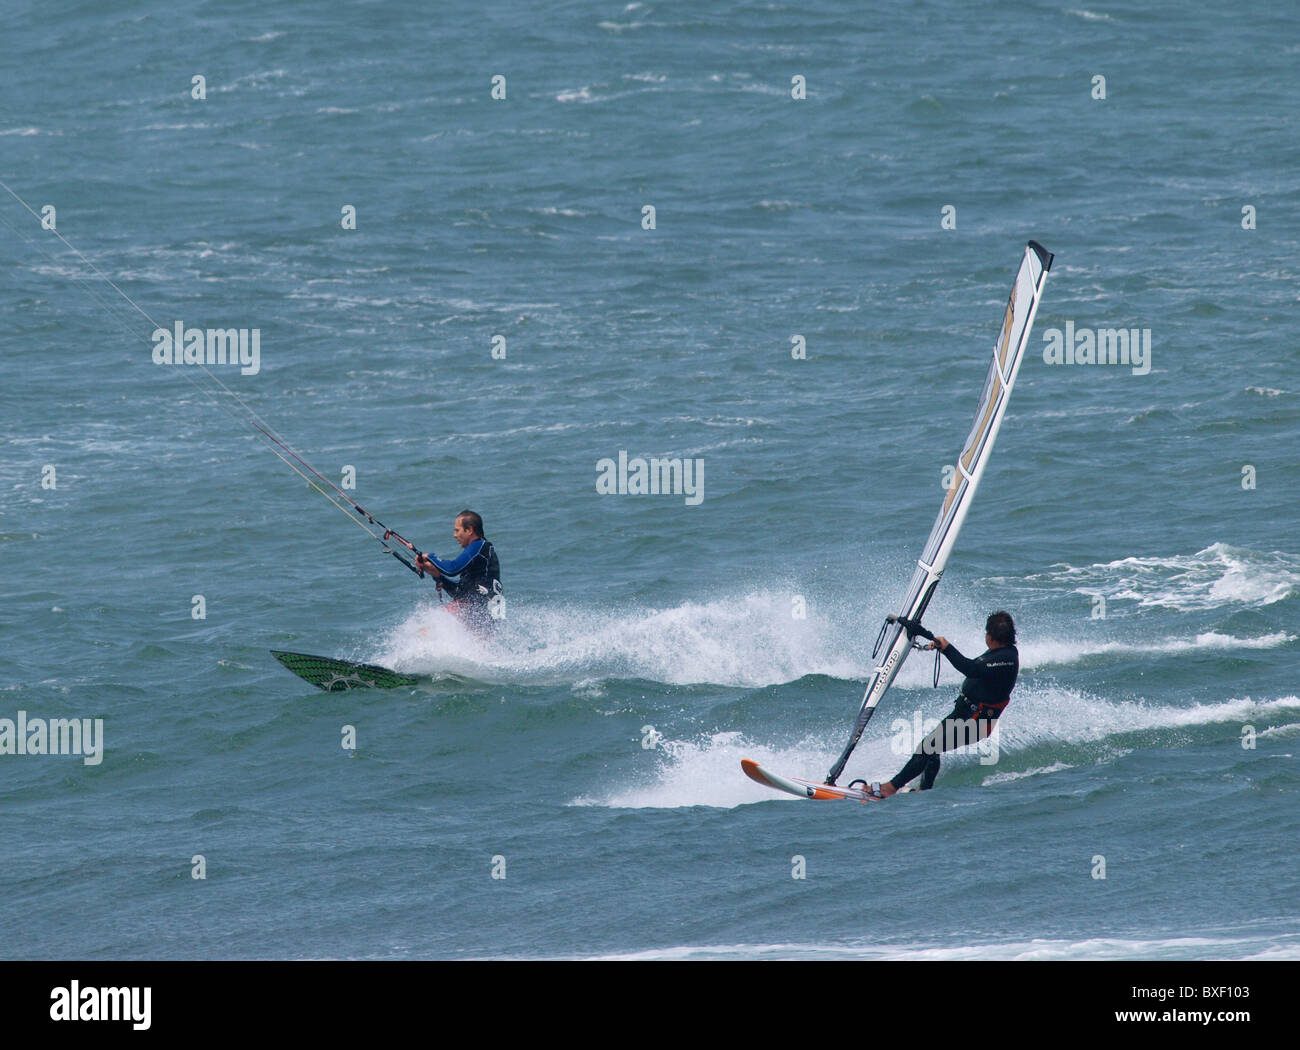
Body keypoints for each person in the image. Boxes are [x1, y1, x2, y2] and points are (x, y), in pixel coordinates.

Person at [865, 611, 1019, 798]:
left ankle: (890, 787)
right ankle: (925, 791)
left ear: (991, 636)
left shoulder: (1006, 658)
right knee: (931, 748)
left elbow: (971, 669)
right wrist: (941, 646)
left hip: (978, 721)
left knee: (928, 747)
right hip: (964, 712)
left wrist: (947, 648)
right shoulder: (1001, 652)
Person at [414, 510, 502, 633]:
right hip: (490, 608)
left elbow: (452, 569)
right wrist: (437, 576)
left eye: (457, 530)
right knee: (479, 647)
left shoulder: (479, 546)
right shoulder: (481, 557)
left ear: (469, 530)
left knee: (426, 632)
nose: (454, 535)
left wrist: (430, 557)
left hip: (481, 604)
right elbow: (460, 593)